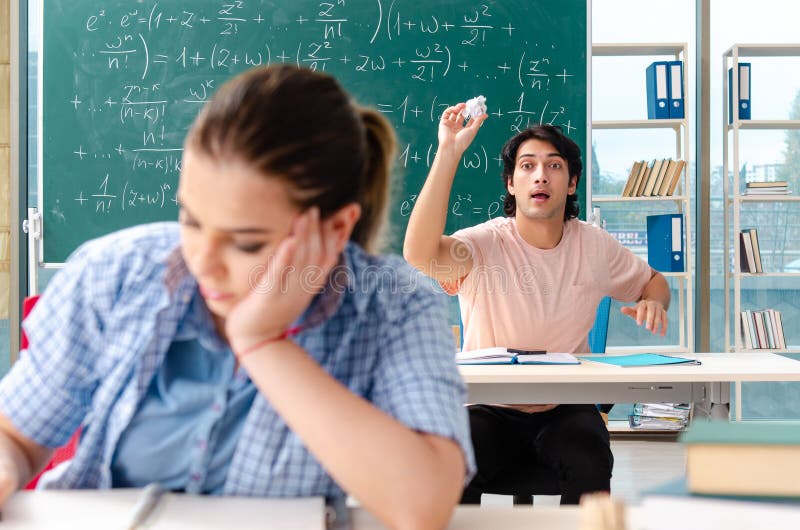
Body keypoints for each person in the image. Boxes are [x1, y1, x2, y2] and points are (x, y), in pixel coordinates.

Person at [0, 65, 474, 529]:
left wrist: (262, 342)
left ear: (336, 228)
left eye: (245, 243)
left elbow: (423, 506)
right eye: (191, 220)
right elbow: (16, 436)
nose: (202, 262)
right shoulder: (113, 272)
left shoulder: (395, 305)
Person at [403, 102, 671, 505]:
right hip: (487, 406)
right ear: (511, 184)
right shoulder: (484, 242)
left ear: (572, 183)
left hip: (566, 405)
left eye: (554, 165)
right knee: (448, 466)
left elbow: (654, 281)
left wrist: (655, 302)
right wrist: (449, 152)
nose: (540, 175)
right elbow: (419, 254)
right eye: (527, 166)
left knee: (590, 460)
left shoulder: (594, 245)